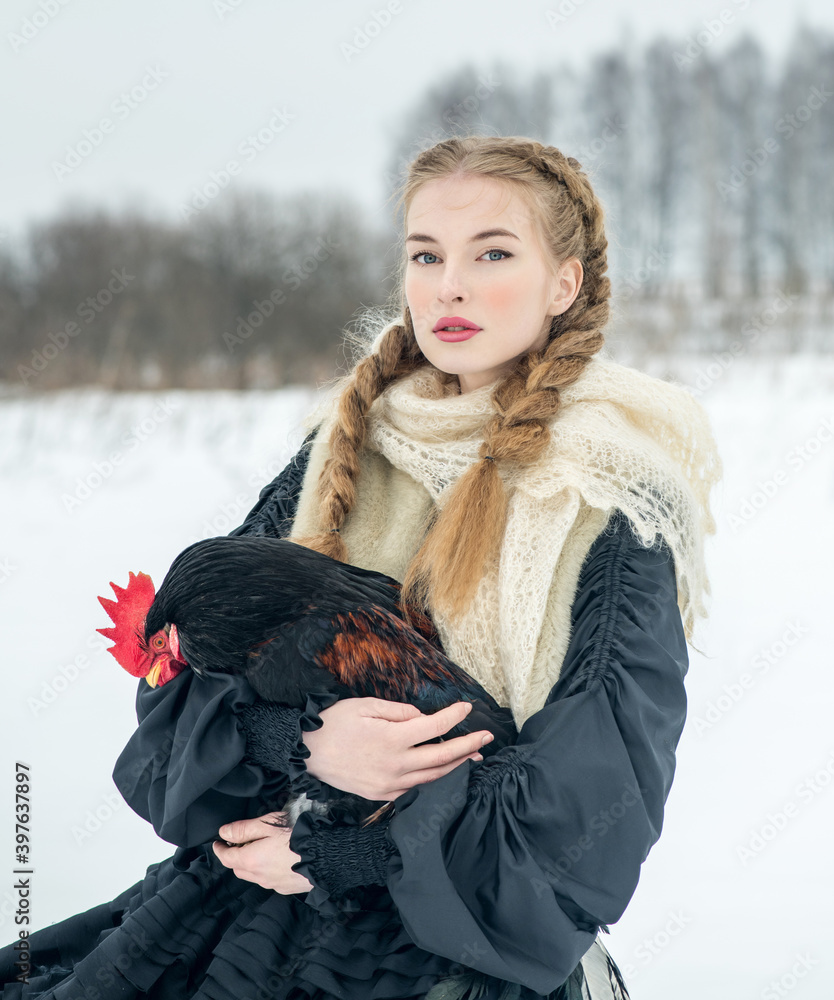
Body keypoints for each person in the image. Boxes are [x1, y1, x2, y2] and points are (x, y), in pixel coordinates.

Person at [0, 134, 721, 1000]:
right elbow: (174, 728)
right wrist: (302, 747)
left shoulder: (611, 501)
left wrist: (345, 850)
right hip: (243, 907)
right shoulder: (345, 444)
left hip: (437, 951)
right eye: (426, 254)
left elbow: (588, 828)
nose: (448, 284)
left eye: (491, 252)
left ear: (563, 283)